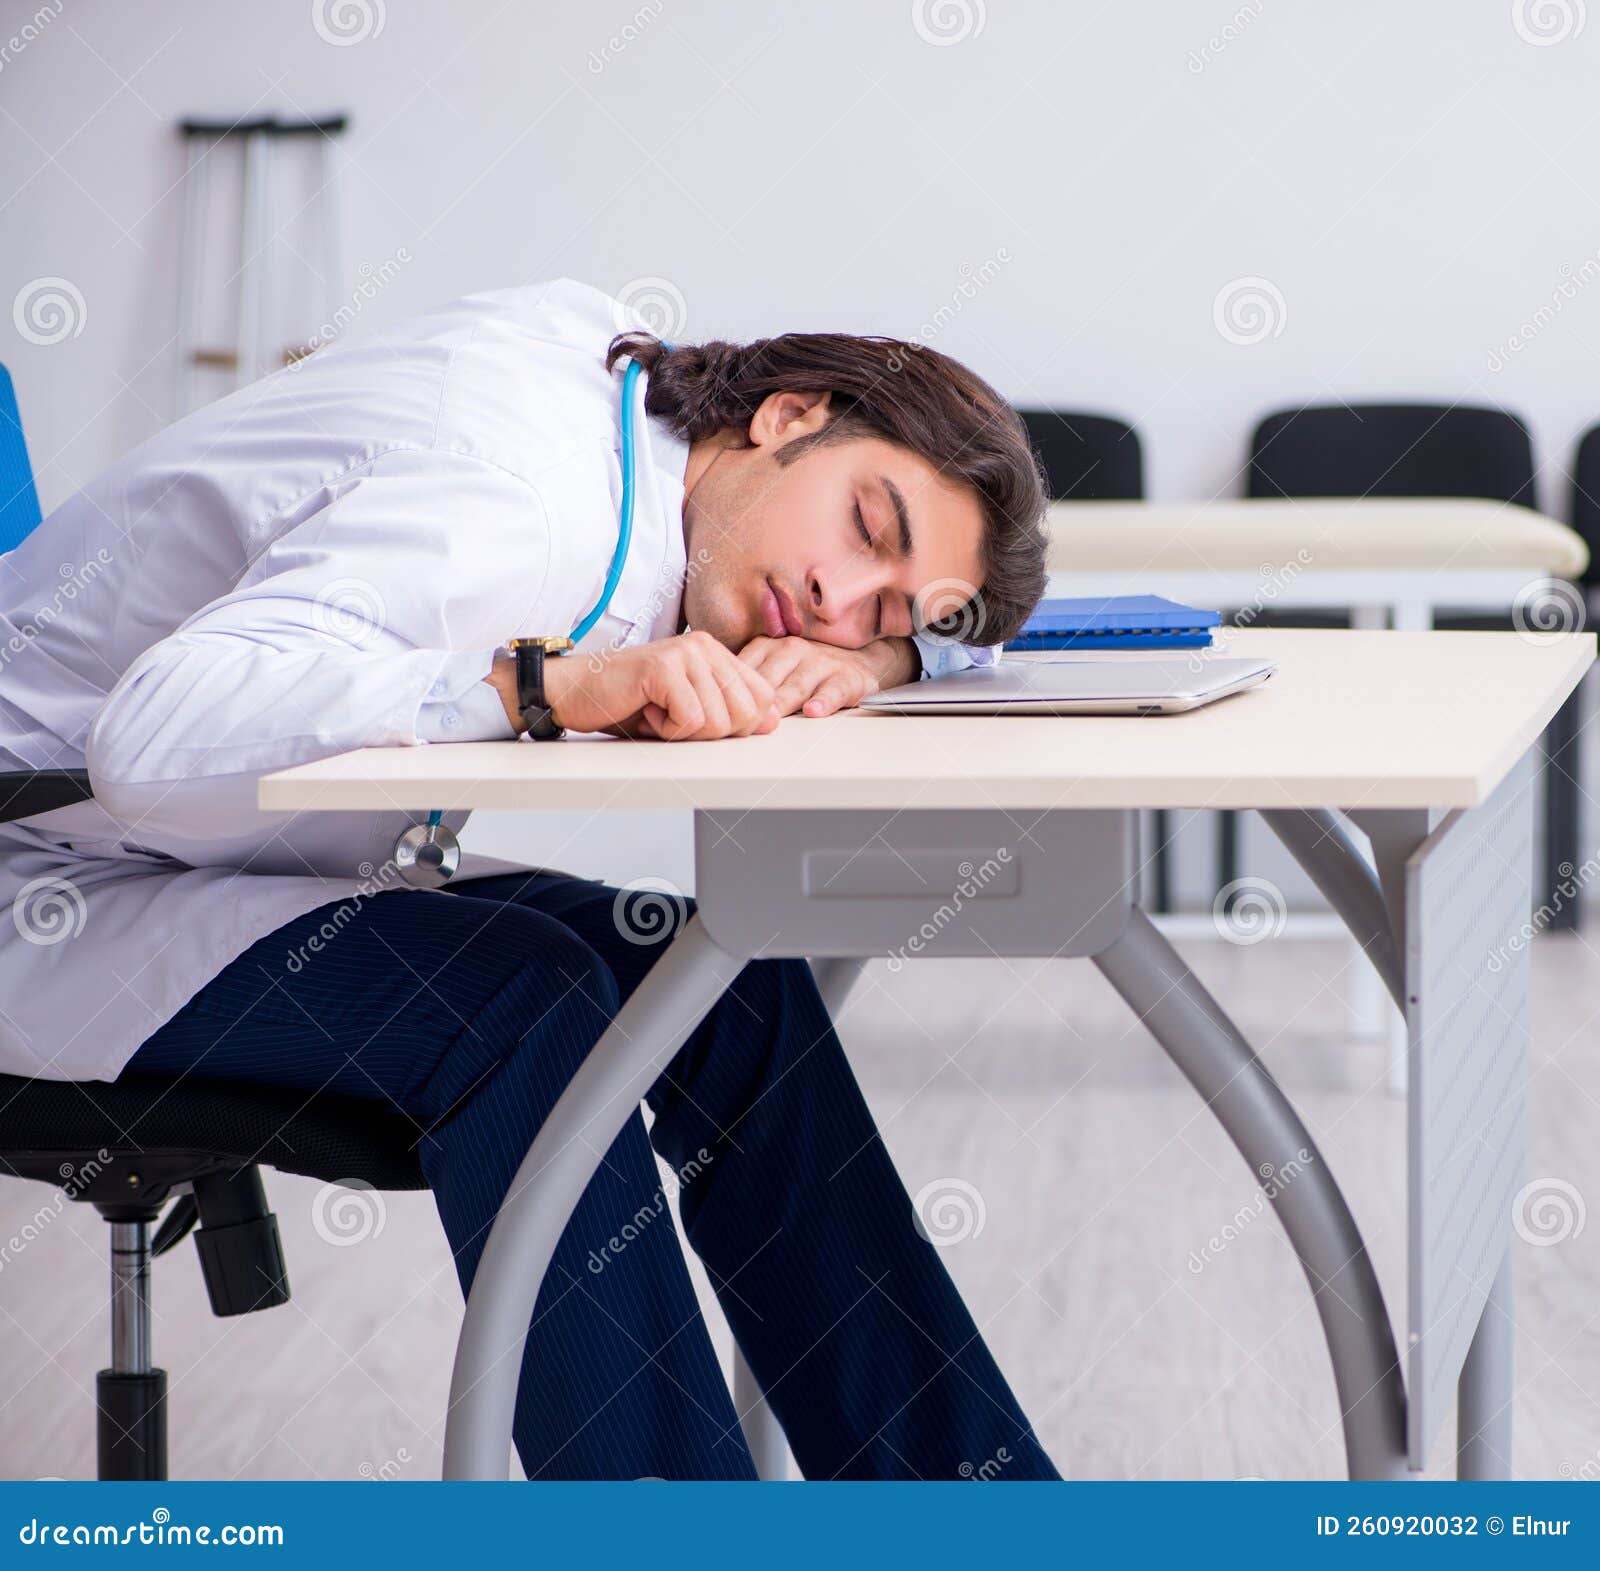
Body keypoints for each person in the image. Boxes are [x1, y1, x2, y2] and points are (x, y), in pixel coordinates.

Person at [0, 279, 1053, 1480]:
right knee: (527, 999)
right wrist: (538, 688)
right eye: (866, 529)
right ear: (787, 414)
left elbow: (983, 627)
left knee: (721, 977)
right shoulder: (511, 498)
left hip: (209, 860)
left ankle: (978, 1519)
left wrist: (892, 649)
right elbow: (153, 738)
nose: (836, 604)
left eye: (884, 606)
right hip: (42, 877)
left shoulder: (639, 405)